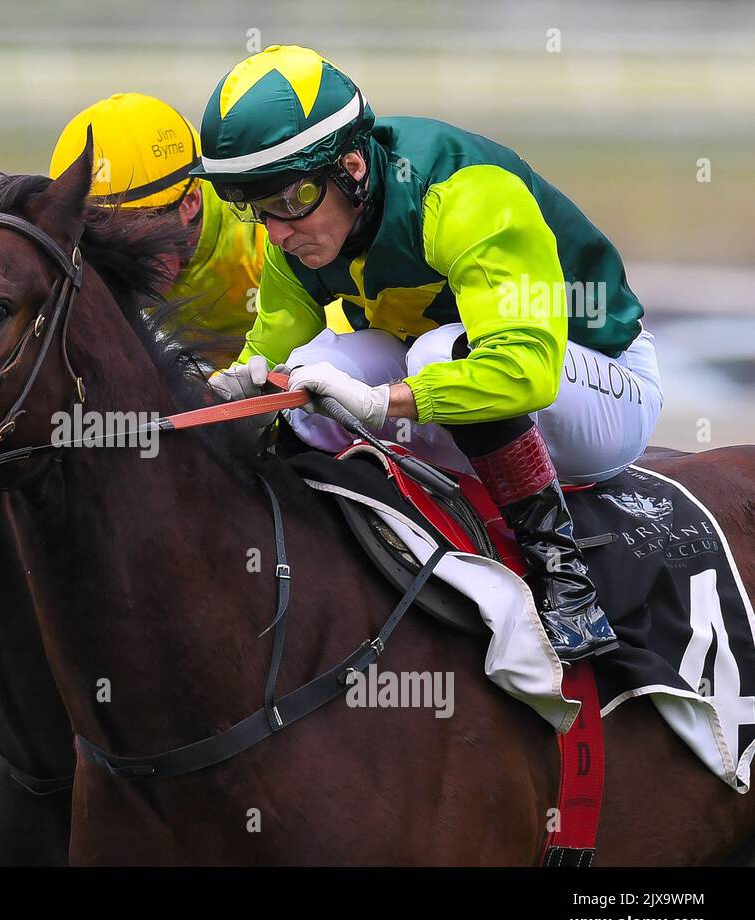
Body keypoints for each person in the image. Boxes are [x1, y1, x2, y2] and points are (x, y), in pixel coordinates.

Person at [196, 45, 664, 662]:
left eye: (292, 200)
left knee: (437, 354)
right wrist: (226, 392)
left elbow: (526, 371)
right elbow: (267, 354)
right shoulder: (297, 236)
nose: (278, 231)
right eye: (258, 208)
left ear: (352, 167)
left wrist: (384, 403)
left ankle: (563, 578)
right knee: (314, 368)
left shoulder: (466, 192)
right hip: (463, 395)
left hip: (599, 392)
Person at [49, 92, 348, 366]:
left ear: (190, 202)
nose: (116, 261)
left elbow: (344, 340)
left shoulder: (268, 235)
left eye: (130, 231)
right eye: (95, 236)